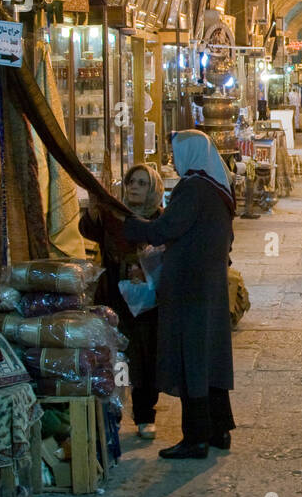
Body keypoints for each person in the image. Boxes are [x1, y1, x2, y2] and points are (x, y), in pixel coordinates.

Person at [104, 130, 237, 460]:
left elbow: (163, 230)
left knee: (192, 358)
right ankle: (218, 429)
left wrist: (126, 223)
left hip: (189, 286)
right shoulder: (218, 187)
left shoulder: (192, 188)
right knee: (209, 356)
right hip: (208, 284)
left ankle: (196, 439)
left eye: (176, 152)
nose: (173, 159)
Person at [79, 164, 164, 439]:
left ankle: (144, 415)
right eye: (131, 182)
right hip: (113, 297)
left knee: (145, 358)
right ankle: (111, 416)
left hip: (147, 304)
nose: (135, 187)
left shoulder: (160, 220)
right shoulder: (113, 216)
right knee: (114, 358)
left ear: (153, 189)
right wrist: (92, 210)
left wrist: (147, 268)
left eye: (142, 183)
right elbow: (88, 229)